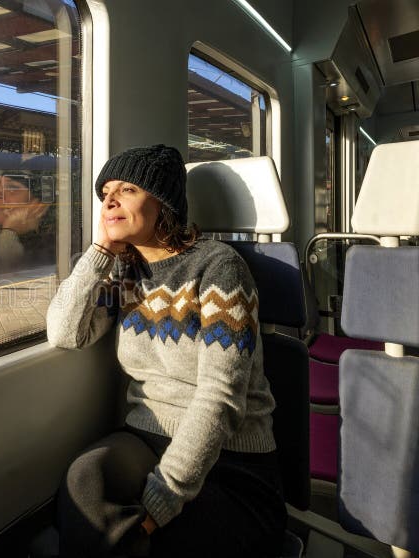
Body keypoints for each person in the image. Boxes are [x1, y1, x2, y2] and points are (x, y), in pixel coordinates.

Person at [45, 145, 286, 557]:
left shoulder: (219, 268)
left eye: (127, 189)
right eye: (105, 192)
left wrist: (161, 502)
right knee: (83, 480)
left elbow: (220, 399)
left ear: (163, 202)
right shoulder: (125, 272)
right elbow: (66, 333)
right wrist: (101, 252)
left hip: (231, 465)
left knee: (146, 541)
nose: (109, 200)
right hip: (145, 442)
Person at [0, 175, 48, 273]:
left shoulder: (48, 252)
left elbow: (6, 284)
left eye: (12, 188)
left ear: (36, 205)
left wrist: (8, 234)